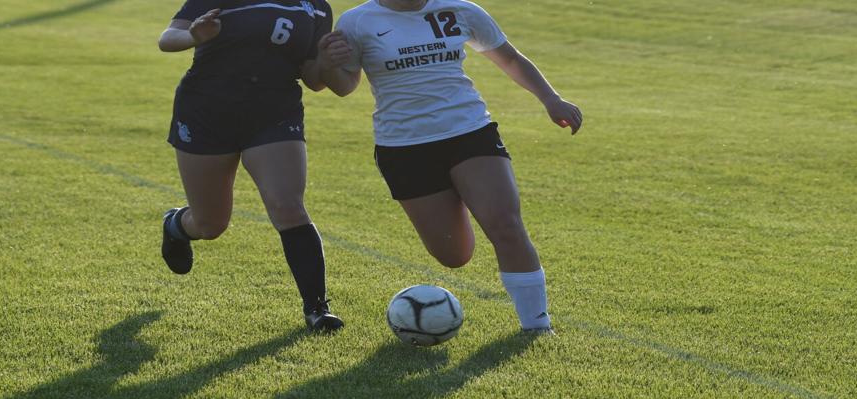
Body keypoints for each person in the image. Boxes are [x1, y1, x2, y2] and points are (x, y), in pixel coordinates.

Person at [320, 0, 582, 332]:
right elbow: (344, 86)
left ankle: (537, 326)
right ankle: (460, 200)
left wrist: (551, 99)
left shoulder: (460, 9)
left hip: (470, 132)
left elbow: (510, 58)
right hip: (404, 147)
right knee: (453, 255)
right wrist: (329, 63)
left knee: (506, 224)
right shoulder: (357, 21)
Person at [158, 1, 349, 332]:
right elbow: (168, 38)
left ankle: (317, 308)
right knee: (210, 224)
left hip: (275, 113)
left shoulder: (317, 7)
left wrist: (326, 63)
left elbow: (313, 78)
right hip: (206, 111)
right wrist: (193, 36)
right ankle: (176, 226)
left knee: (288, 206)